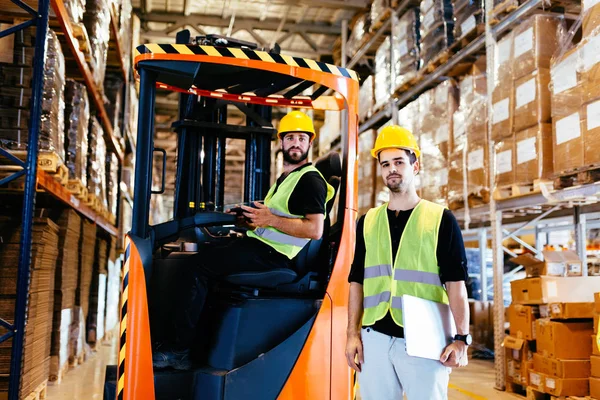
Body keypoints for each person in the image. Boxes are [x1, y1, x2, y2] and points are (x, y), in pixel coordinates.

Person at [152, 110, 334, 370]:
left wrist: (267, 219)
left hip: (277, 257)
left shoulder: (310, 180)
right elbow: (271, 218)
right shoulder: (286, 179)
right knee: (203, 258)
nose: (296, 143)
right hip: (263, 247)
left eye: (302, 138)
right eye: (290, 137)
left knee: (196, 267)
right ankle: (196, 345)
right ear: (281, 142)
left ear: (310, 143)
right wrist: (246, 218)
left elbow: (314, 229)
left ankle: (180, 350)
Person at [344, 125, 470, 400]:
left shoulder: (440, 219)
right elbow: (356, 281)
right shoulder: (367, 222)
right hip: (374, 338)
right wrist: (352, 334)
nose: (392, 169)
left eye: (399, 162)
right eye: (385, 163)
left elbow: (456, 285)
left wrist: (461, 339)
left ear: (416, 166)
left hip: (425, 341)